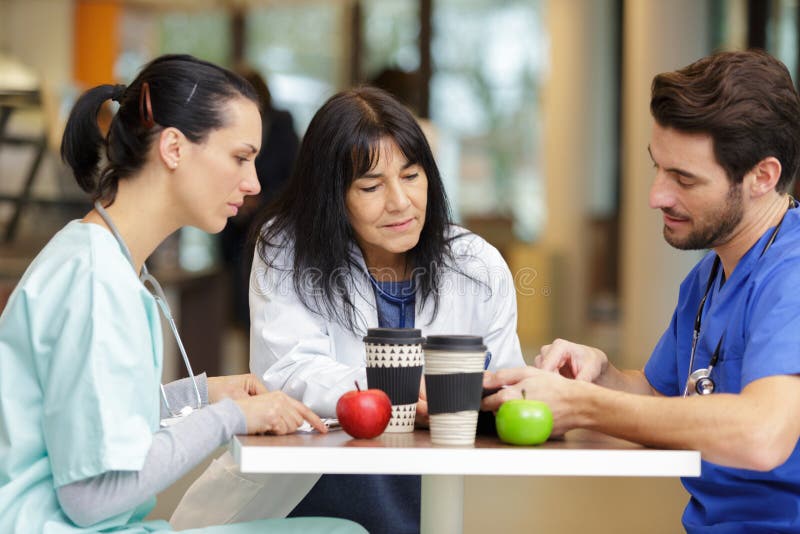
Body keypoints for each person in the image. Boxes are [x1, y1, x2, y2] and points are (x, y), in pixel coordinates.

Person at [0, 54, 365, 534]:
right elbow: (93, 496)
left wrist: (197, 395)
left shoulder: (99, 259)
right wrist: (229, 417)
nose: (254, 182)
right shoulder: (94, 280)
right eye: (240, 157)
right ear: (173, 147)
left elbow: (87, 416)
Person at [171, 86, 525, 533]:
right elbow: (290, 371)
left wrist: (502, 392)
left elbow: (508, 378)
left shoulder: (476, 264)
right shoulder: (286, 249)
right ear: (331, 195)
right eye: (371, 186)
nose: (400, 201)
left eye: (412, 176)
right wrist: (398, 387)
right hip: (308, 495)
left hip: (424, 497)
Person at [482, 49, 800, 533]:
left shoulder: (792, 272)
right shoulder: (710, 275)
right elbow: (660, 395)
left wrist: (585, 407)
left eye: (683, 178)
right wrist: (600, 375)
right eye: (658, 167)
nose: (656, 196)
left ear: (762, 177)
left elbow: (763, 435)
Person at [220, 66, 300, 329]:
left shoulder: (282, 125)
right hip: (237, 236)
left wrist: (260, 203)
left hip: (272, 223)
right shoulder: (224, 132)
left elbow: (294, 181)